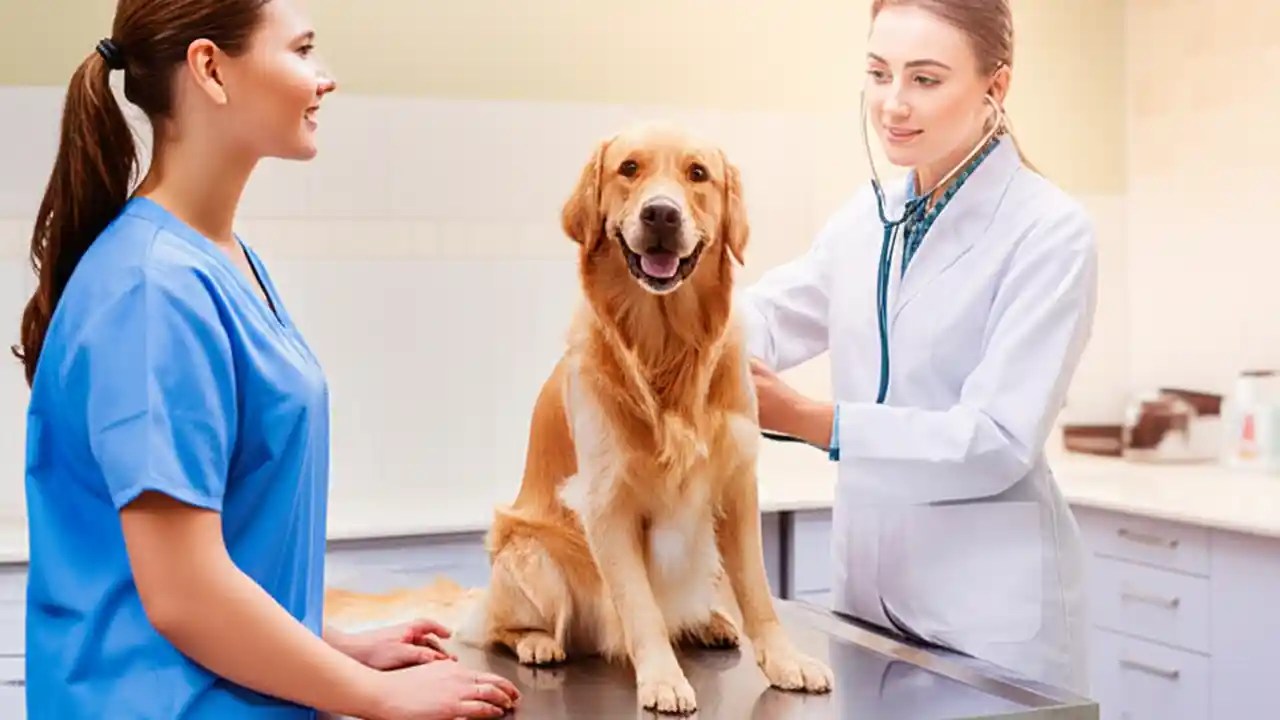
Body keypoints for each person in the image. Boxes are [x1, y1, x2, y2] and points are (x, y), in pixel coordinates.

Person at [12, 1, 519, 718]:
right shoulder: (152, 289)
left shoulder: (219, 258)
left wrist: (335, 644)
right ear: (211, 69)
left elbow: (228, 546)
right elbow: (184, 595)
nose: (325, 78)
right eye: (303, 50)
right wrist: (376, 696)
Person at [740, 0, 1096, 696]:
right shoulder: (867, 217)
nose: (893, 105)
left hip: (988, 620)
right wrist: (663, 335)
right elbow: (771, 315)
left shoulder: (1050, 231)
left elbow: (996, 438)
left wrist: (814, 420)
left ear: (996, 86)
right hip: (872, 601)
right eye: (878, 74)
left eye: (925, 80)